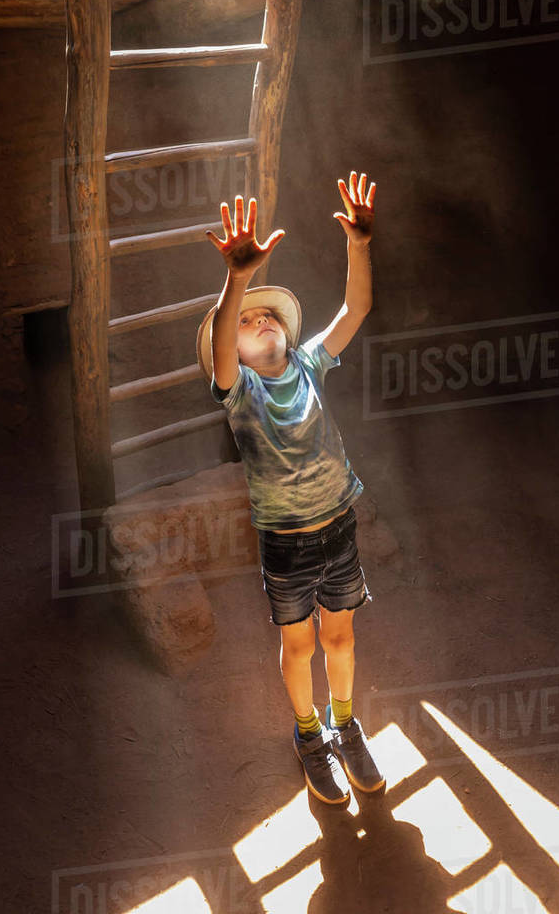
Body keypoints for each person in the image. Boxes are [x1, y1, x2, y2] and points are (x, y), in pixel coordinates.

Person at [196, 171, 385, 803]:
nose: (257, 321)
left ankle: (346, 723)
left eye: (265, 316)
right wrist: (237, 280)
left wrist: (359, 244)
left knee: (342, 636)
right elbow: (222, 345)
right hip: (286, 543)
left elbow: (355, 309)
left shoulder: (308, 362)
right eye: (245, 323)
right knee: (299, 642)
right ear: (237, 353)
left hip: (338, 525)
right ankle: (309, 736)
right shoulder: (239, 391)